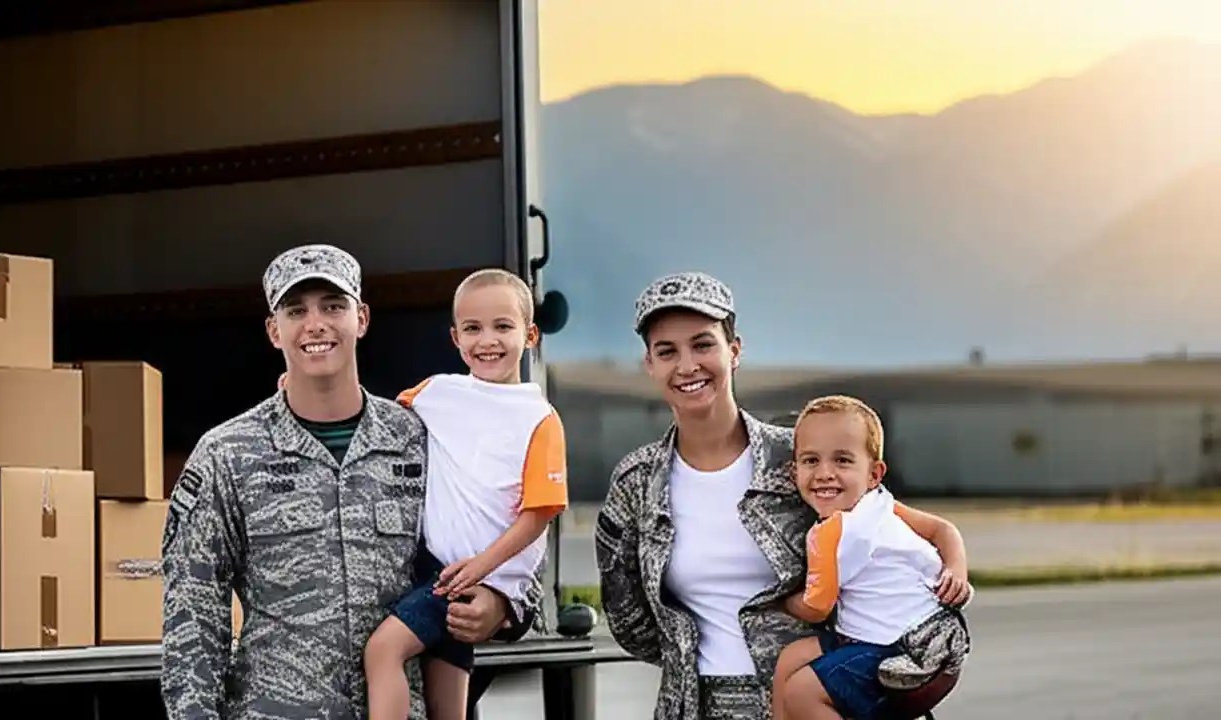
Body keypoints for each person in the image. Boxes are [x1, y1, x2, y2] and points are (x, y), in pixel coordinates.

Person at [161, 244, 522, 720]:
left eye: (333, 306)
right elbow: (193, 619)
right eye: (296, 311)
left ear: (362, 318)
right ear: (274, 331)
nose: (316, 324)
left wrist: (503, 605)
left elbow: (502, 532)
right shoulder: (227, 455)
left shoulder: (422, 441)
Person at [594, 271, 821, 720]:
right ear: (650, 365)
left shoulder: (802, 459)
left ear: (734, 351)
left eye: (702, 344)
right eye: (667, 351)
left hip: (810, 700)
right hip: (692, 707)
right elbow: (628, 619)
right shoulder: (636, 482)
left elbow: (877, 550)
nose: (686, 366)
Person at [362, 268, 569, 719]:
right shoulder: (438, 392)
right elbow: (373, 416)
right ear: (455, 338)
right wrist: (296, 390)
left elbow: (539, 515)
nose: (487, 340)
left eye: (503, 326)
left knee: (382, 651)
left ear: (530, 334)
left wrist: (480, 569)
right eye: (473, 329)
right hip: (437, 567)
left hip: (469, 578)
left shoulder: (539, 418)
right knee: (448, 697)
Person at [772, 395, 973, 720]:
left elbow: (815, 607)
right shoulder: (879, 504)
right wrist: (955, 568)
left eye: (842, 460)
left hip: (898, 650)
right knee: (790, 659)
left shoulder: (831, 534)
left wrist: (780, 601)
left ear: (874, 474)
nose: (824, 473)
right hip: (932, 638)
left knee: (801, 692)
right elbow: (942, 529)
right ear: (794, 470)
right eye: (811, 461)